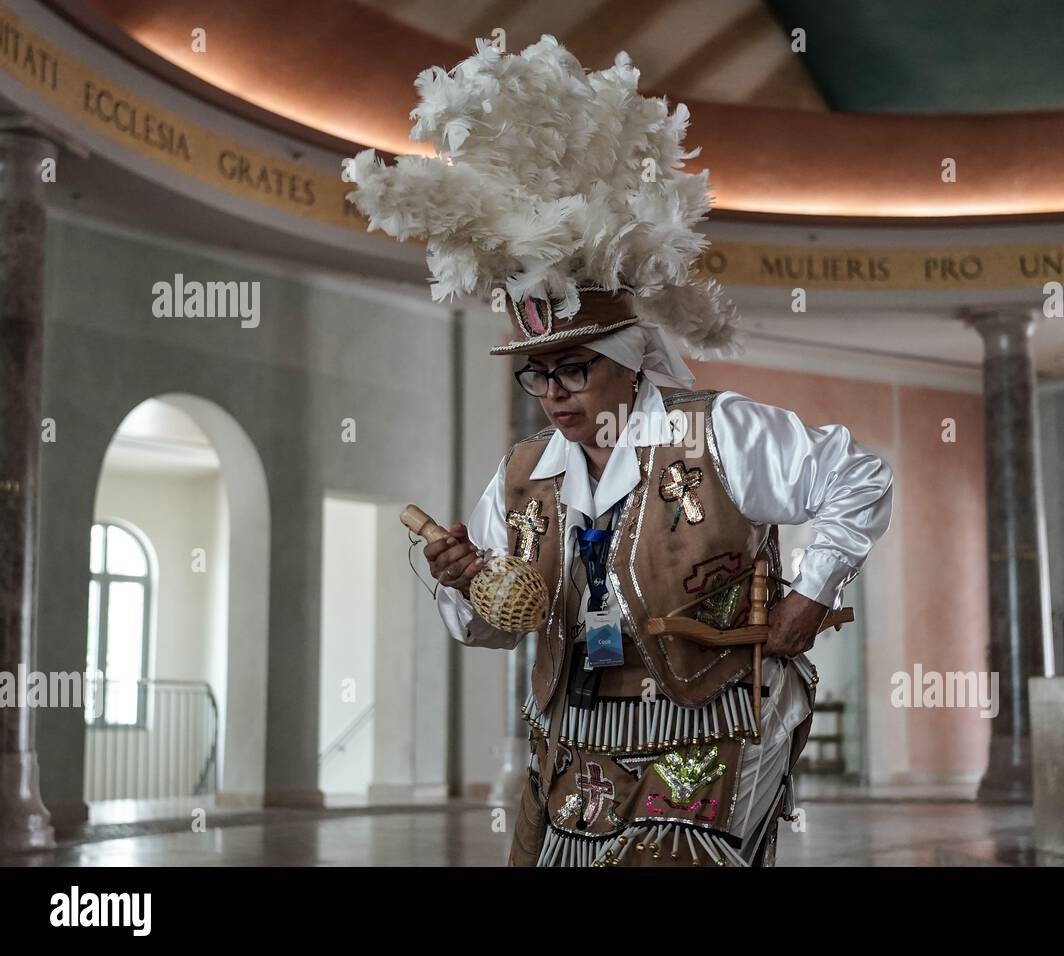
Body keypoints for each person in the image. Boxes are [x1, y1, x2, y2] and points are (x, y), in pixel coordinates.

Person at [345, 35, 893, 866]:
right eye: (539, 376)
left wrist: (813, 591)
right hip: (577, 732)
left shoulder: (714, 432)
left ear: (628, 361)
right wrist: (465, 584)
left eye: (575, 369)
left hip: (712, 719)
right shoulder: (526, 476)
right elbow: (492, 629)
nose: (557, 393)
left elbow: (860, 475)